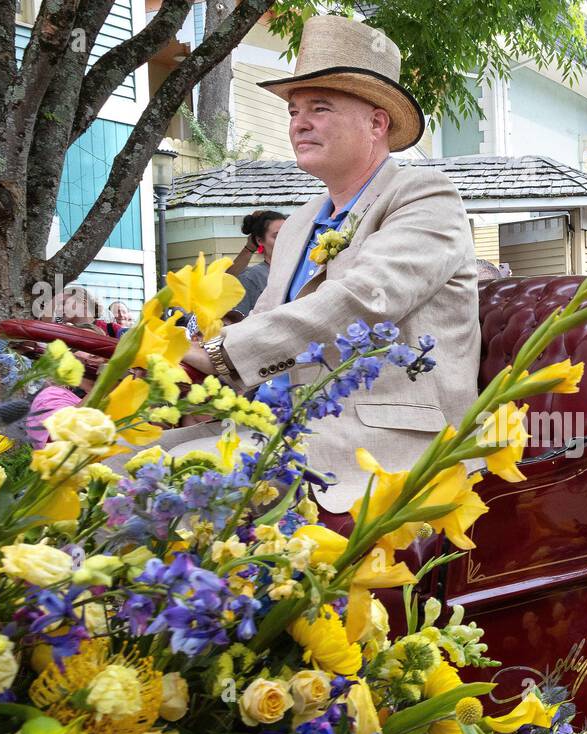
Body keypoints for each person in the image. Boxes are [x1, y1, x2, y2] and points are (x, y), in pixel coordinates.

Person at [175, 15, 479, 515]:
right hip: (271, 428)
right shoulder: (296, 225)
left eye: (321, 107)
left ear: (377, 123)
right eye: (294, 111)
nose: (299, 122)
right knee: (104, 464)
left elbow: (364, 301)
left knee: (149, 493)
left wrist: (218, 353)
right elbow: (266, 324)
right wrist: (182, 377)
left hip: (376, 444)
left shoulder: (425, 196)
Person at [227, 210, 288, 318]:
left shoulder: (302, 270)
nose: (285, 240)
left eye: (287, 234)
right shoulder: (251, 278)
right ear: (260, 240)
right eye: (277, 236)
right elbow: (238, 323)